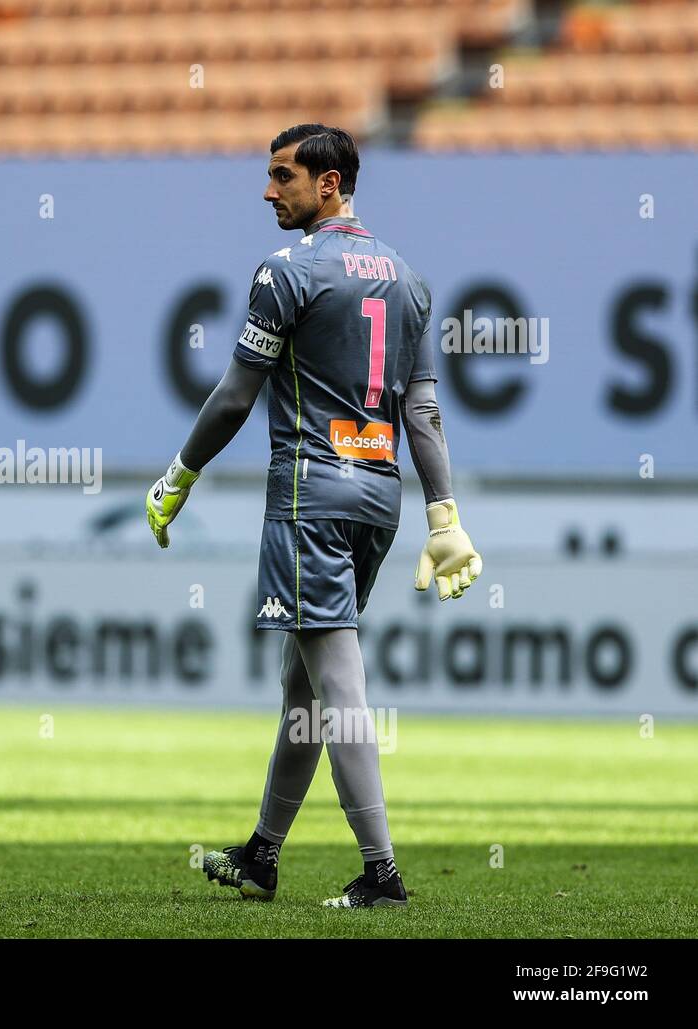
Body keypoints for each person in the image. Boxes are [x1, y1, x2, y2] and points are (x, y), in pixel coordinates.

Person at [146, 124, 482, 908]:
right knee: (305, 689)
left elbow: (235, 393)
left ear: (328, 185)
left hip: (309, 500)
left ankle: (383, 873)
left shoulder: (287, 272)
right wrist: (444, 513)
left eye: (282, 177)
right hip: (378, 498)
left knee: (336, 684)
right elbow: (422, 407)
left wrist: (179, 474)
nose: (269, 192)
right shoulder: (408, 278)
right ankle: (264, 852)